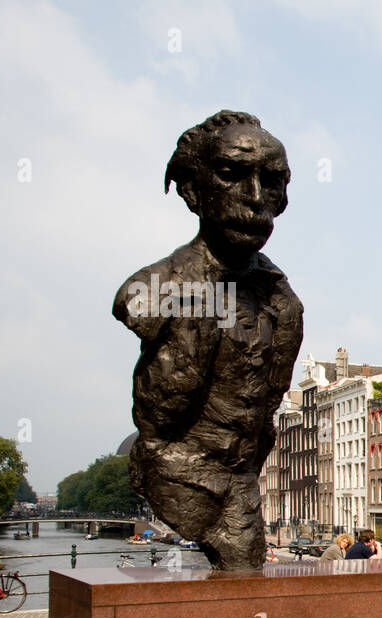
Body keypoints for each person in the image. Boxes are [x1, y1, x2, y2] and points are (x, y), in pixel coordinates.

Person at [114, 110, 302, 571]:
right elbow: (162, 421)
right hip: (180, 479)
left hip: (241, 493)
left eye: (272, 181)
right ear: (192, 190)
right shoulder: (151, 292)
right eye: (231, 175)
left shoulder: (285, 305)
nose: (255, 198)